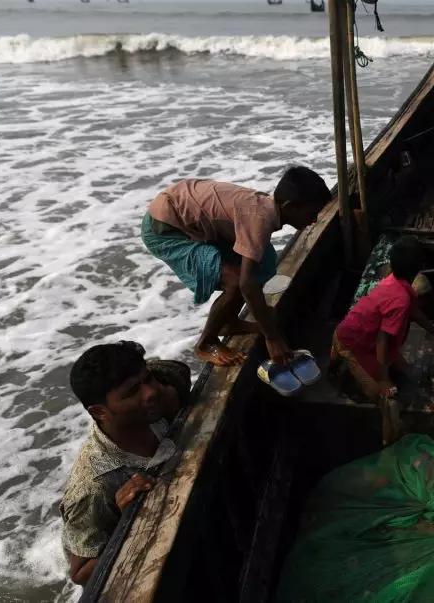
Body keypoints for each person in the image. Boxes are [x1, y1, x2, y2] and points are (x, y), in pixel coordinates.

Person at [141, 167, 330, 368]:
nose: (314, 220)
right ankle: (206, 343)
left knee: (264, 261)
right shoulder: (258, 220)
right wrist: (272, 337)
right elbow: (246, 284)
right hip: (165, 228)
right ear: (290, 206)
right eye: (312, 213)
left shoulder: (264, 207)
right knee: (237, 282)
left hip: (187, 213)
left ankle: (230, 322)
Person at [61, 342, 183, 586]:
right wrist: (125, 520)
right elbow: (81, 574)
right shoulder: (92, 485)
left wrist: (171, 390)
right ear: (100, 412)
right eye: (132, 393)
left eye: (148, 380)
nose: (150, 392)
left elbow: (175, 371)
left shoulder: (153, 405)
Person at [332, 236, 434, 445]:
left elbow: (414, 312)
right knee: (387, 397)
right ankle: (389, 440)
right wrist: (383, 379)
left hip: (365, 336)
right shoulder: (400, 299)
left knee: (410, 373)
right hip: (353, 344)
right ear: (419, 267)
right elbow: (383, 339)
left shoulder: (394, 282)